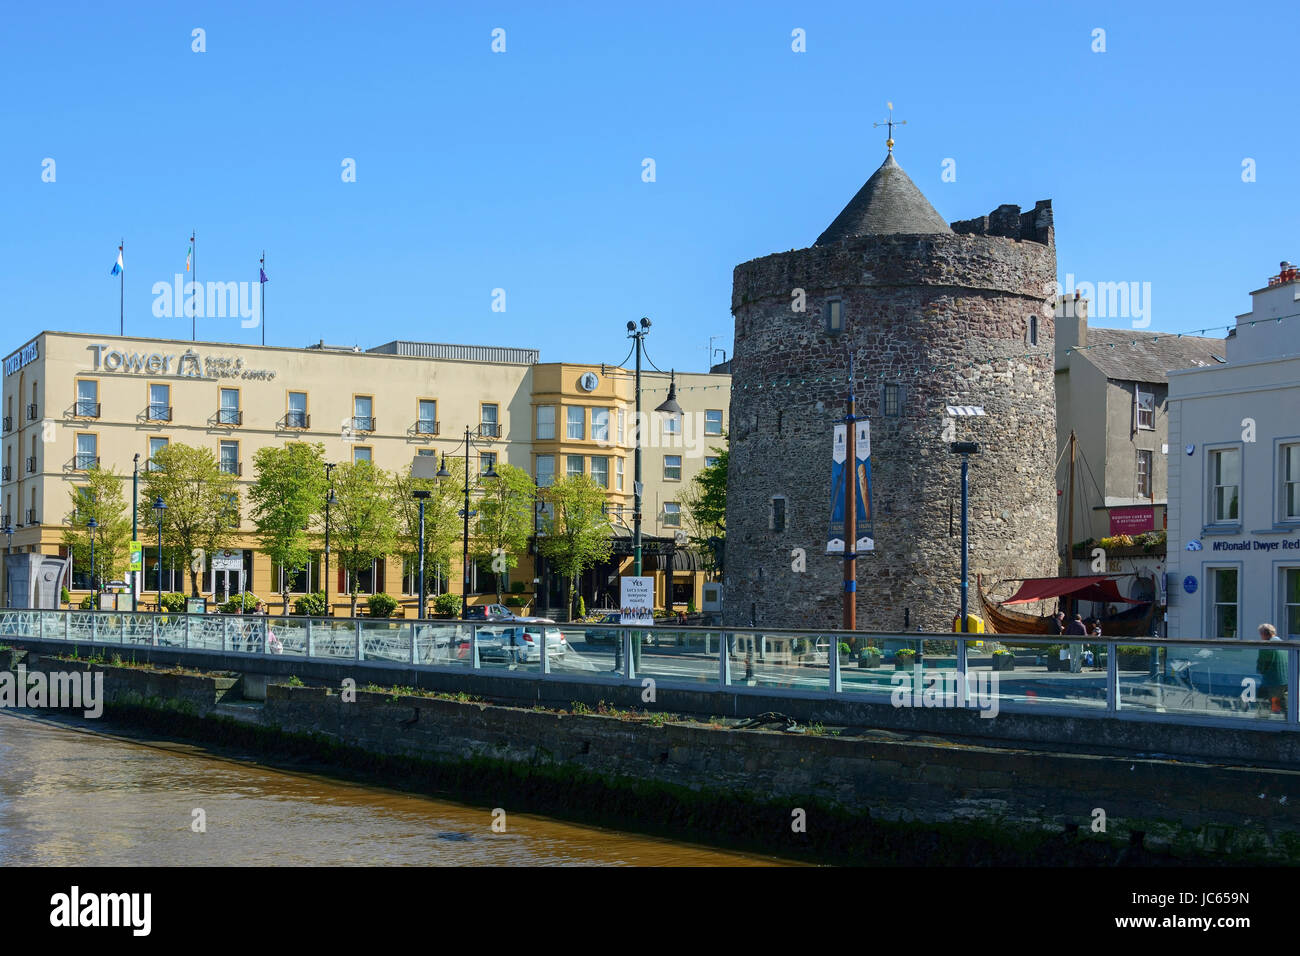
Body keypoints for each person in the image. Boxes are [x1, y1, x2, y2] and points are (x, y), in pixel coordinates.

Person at [1256, 623, 1286, 715]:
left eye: (1260, 634)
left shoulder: (1266, 646)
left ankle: (1263, 722)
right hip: (1286, 682)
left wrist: (1260, 670)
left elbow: (1262, 667)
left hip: (1272, 682)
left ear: (1264, 634)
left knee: (1262, 700)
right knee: (1283, 705)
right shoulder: (1284, 644)